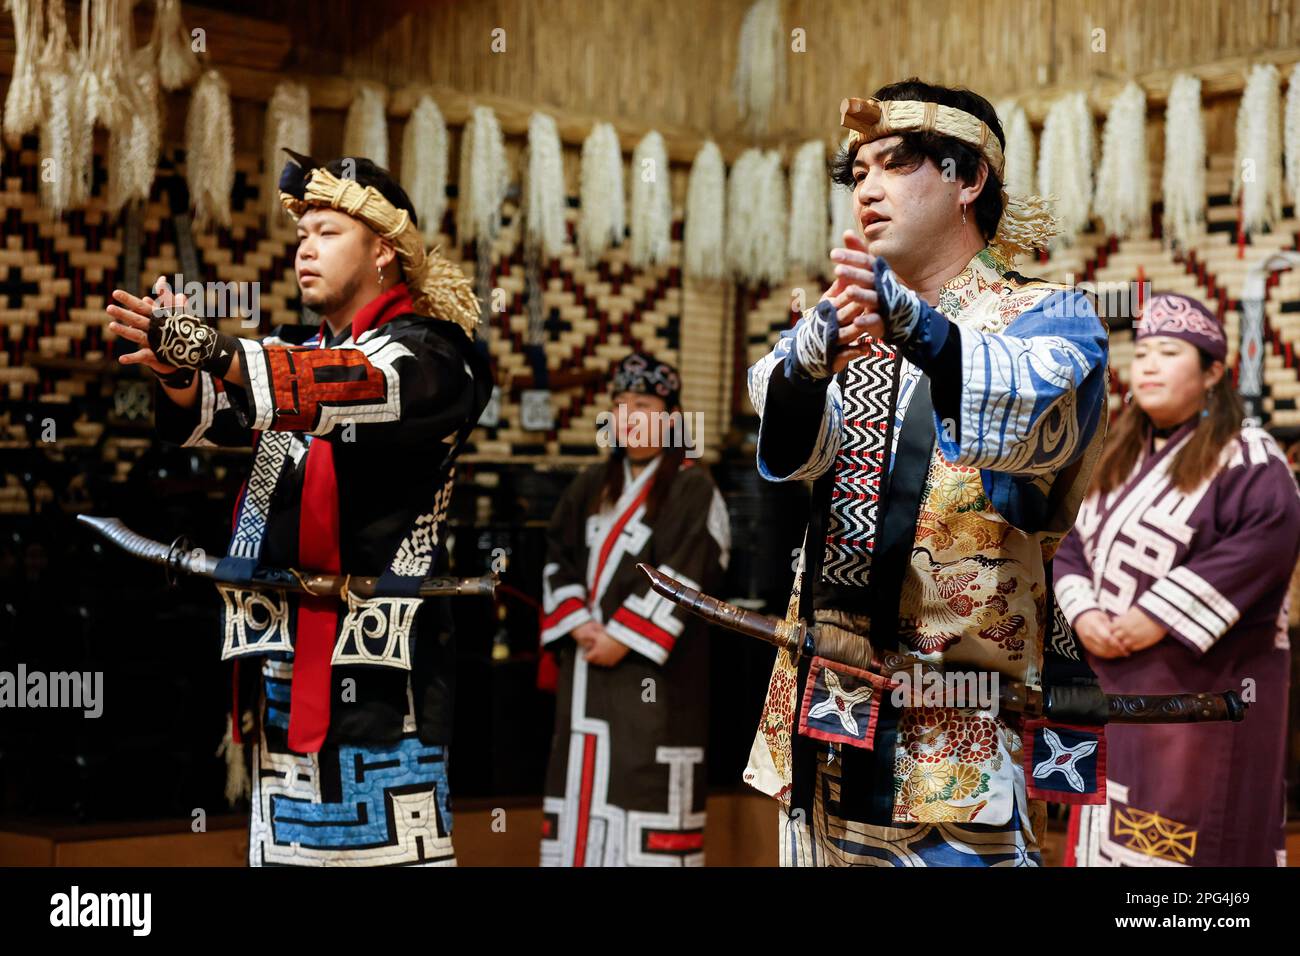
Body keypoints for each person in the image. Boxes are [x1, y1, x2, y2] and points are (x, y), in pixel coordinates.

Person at [743, 79, 1109, 866]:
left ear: (967, 179)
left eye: (896, 162)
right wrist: (810, 361)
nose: (867, 187)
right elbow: (779, 426)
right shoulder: (843, 320)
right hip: (827, 709)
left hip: (961, 728)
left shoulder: (1048, 317)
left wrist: (922, 330)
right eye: (857, 171)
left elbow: (1033, 416)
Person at [105, 151, 493, 866]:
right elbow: (226, 410)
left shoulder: (437, 357)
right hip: (282, 660)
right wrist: (179, 372)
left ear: (383, 250)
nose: (305, 248)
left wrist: (210, 346)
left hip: (384, 674)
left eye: (327, 231)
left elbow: (341, 388)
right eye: (300, 234)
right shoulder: (304, 351)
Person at [1055, 291, 1300, 866]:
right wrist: (1085, 612)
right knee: (1103, 832)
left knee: (1186, 846)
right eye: (1141, 354)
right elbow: (1071, 543)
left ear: (1213, 371)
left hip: (1202, 694)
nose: (1148, 365)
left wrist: (1153, 616)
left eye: (1168, 352)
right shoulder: (1115, 453)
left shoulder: (1252, 461)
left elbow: (1263, 543)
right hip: (1112, 689)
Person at [539, 352, 730, 866]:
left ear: (672, 416)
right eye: (619, 404)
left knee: (645, 793)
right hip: (586, 676)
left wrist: (620, 638)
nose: (626, 416)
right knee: (581, 798)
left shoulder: (694, 487)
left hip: (653, 680)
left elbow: (689, 575)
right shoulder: (590, 486)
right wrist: (579, 622)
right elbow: (556, 554)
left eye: (641, 404)